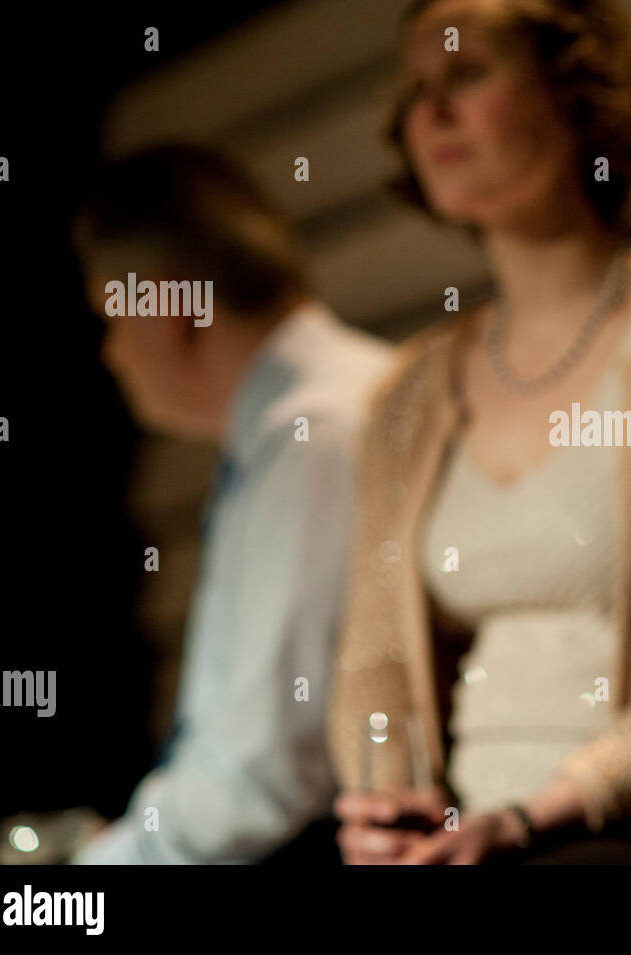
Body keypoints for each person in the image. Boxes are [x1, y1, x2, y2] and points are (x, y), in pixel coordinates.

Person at [329, 0, 631, 864]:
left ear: (578, 93)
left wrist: (534, 816)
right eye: (414, 91)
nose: (429, 113)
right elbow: (374, 654)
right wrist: (389, 801)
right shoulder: (406, 395)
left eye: (467, 73)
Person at [67, 143, 394, 863]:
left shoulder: (314, 433)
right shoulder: (298, 424)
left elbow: (266, 768)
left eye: (110, 319)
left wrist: (95, 873)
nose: (111, 354)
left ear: (172, 305)